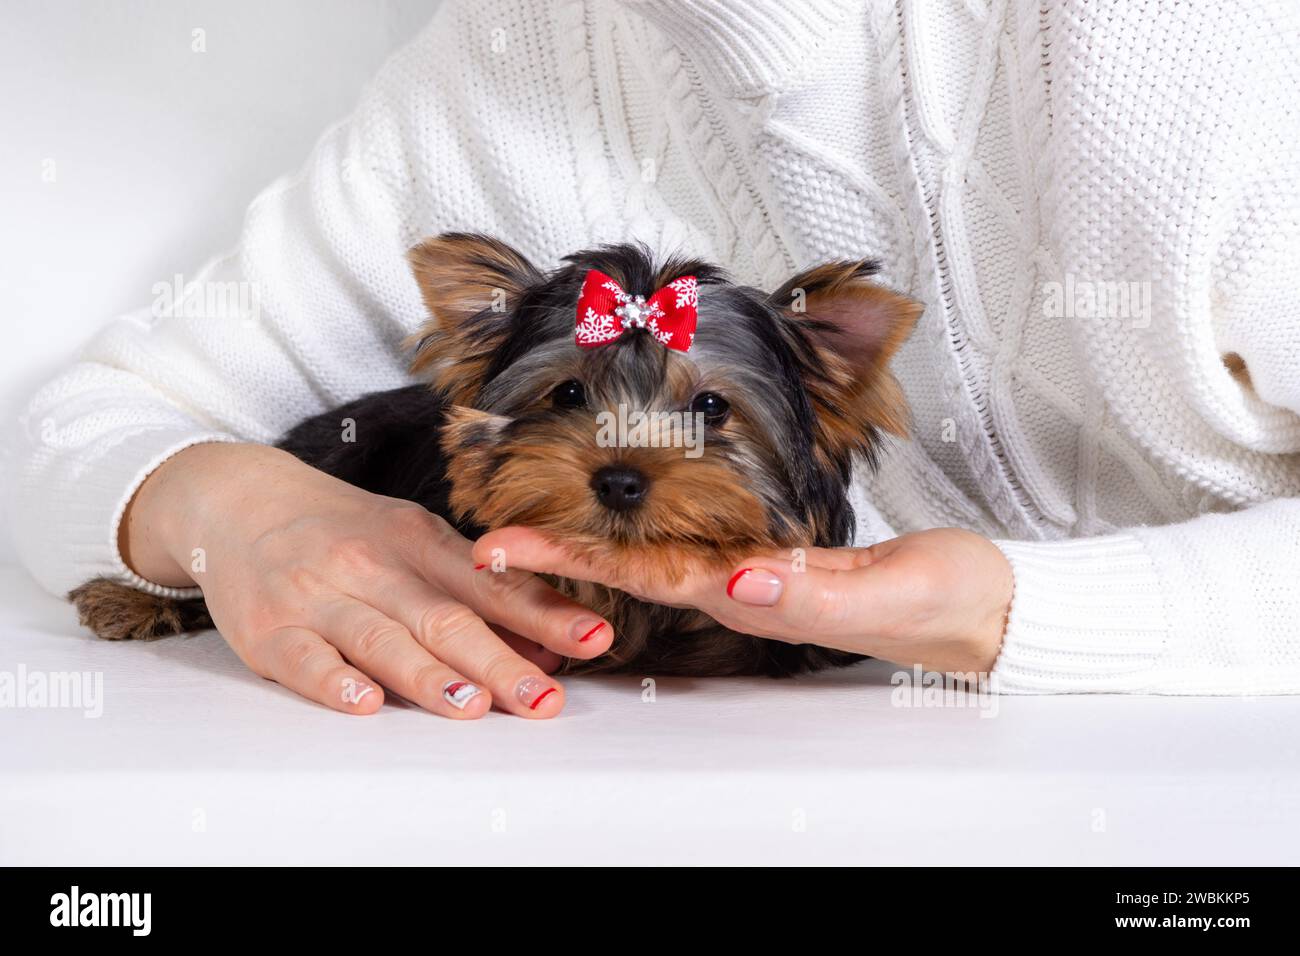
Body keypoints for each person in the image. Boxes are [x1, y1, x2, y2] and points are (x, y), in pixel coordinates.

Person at [10, 0, 1300, 719]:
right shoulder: (481, 69)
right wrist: (227, 511)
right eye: (574, 399)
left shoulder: (1183, 49)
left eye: (698, 416)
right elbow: (81, 429)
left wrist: (1012, 617)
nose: (628, 461)